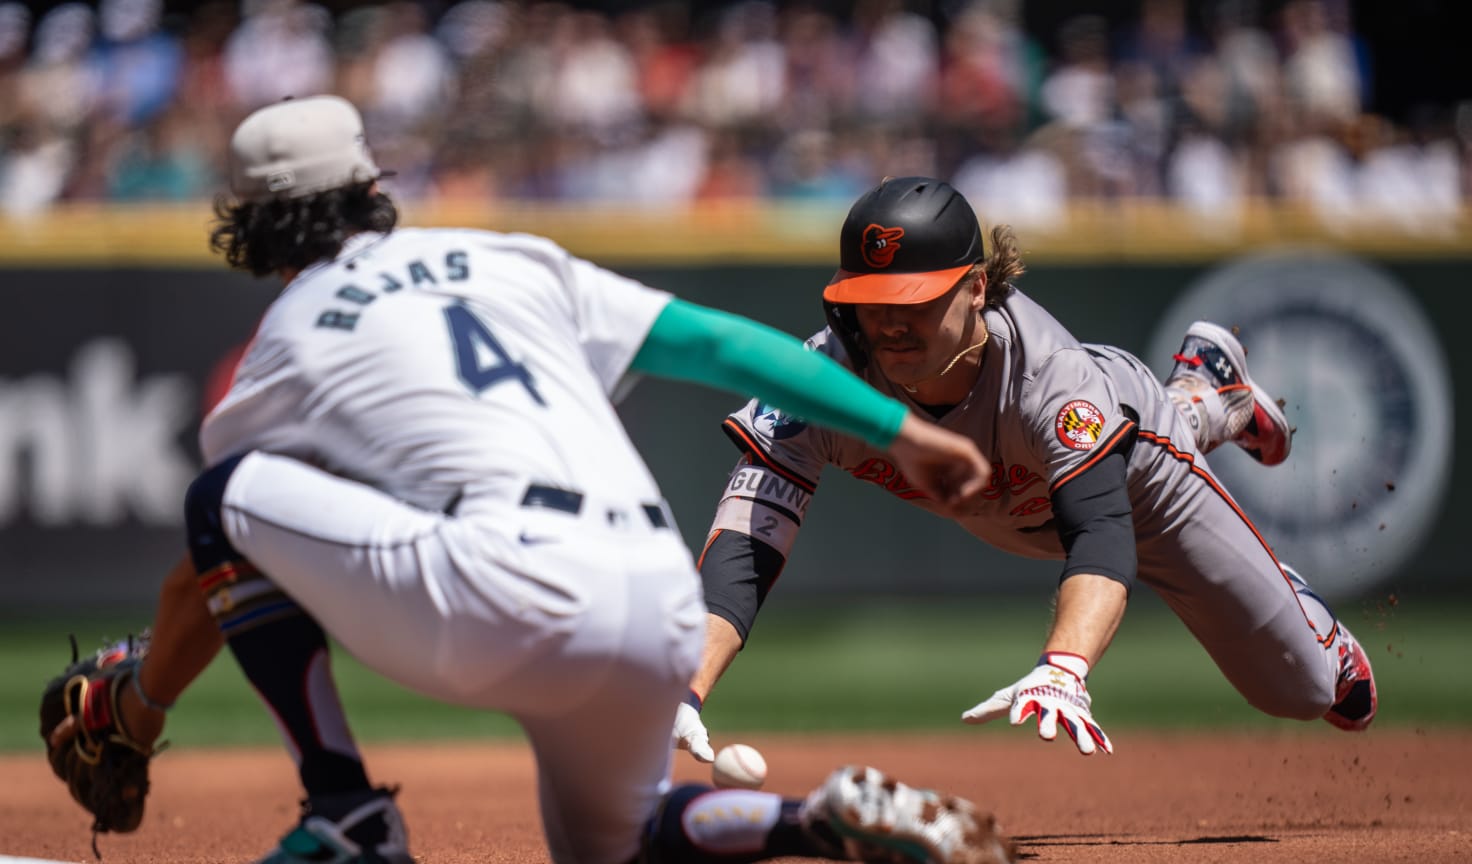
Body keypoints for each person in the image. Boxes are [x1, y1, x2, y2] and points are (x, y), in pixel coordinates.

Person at [47, 98, 1013, 864]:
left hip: (507, 586)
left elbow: (210, 567)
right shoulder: (513, 259)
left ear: (248, 223)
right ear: (370, 188)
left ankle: (345, 812)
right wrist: (898, 427)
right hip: (652, 592)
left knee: (221, 500)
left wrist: (139, 703)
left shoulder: (289, 339)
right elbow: (718, 343)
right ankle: (815, 818)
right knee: (621, 840)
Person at [673, 175, 1377, 764]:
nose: (888, 324)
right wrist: (685, 688)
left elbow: (1102, 530)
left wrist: (1065, 668)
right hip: (1015, 500)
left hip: (1140, 490)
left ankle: (1194, 413)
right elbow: (749, 536)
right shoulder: (825, 376)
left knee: (1309, 693)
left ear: (976, 287)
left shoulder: (1050, 376)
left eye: (911, 302)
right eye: (869, 303)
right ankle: (1203, 392)